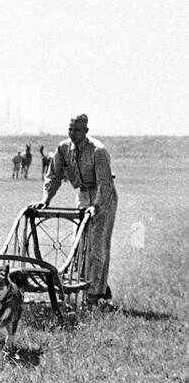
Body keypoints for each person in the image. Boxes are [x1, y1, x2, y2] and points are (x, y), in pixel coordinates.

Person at [40, 113, 117, 305]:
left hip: (103, 196)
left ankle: (94, 295)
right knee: (79, 243)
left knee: (97, 245)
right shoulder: (63, 148)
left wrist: (96, 206)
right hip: (83, 195)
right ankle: (88, 284)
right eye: (70, 129)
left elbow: (105, 184)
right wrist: (45, 200)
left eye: (77, 130)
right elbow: (53, 176)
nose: (73, 133)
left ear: (86, 131)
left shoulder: (98, 151)